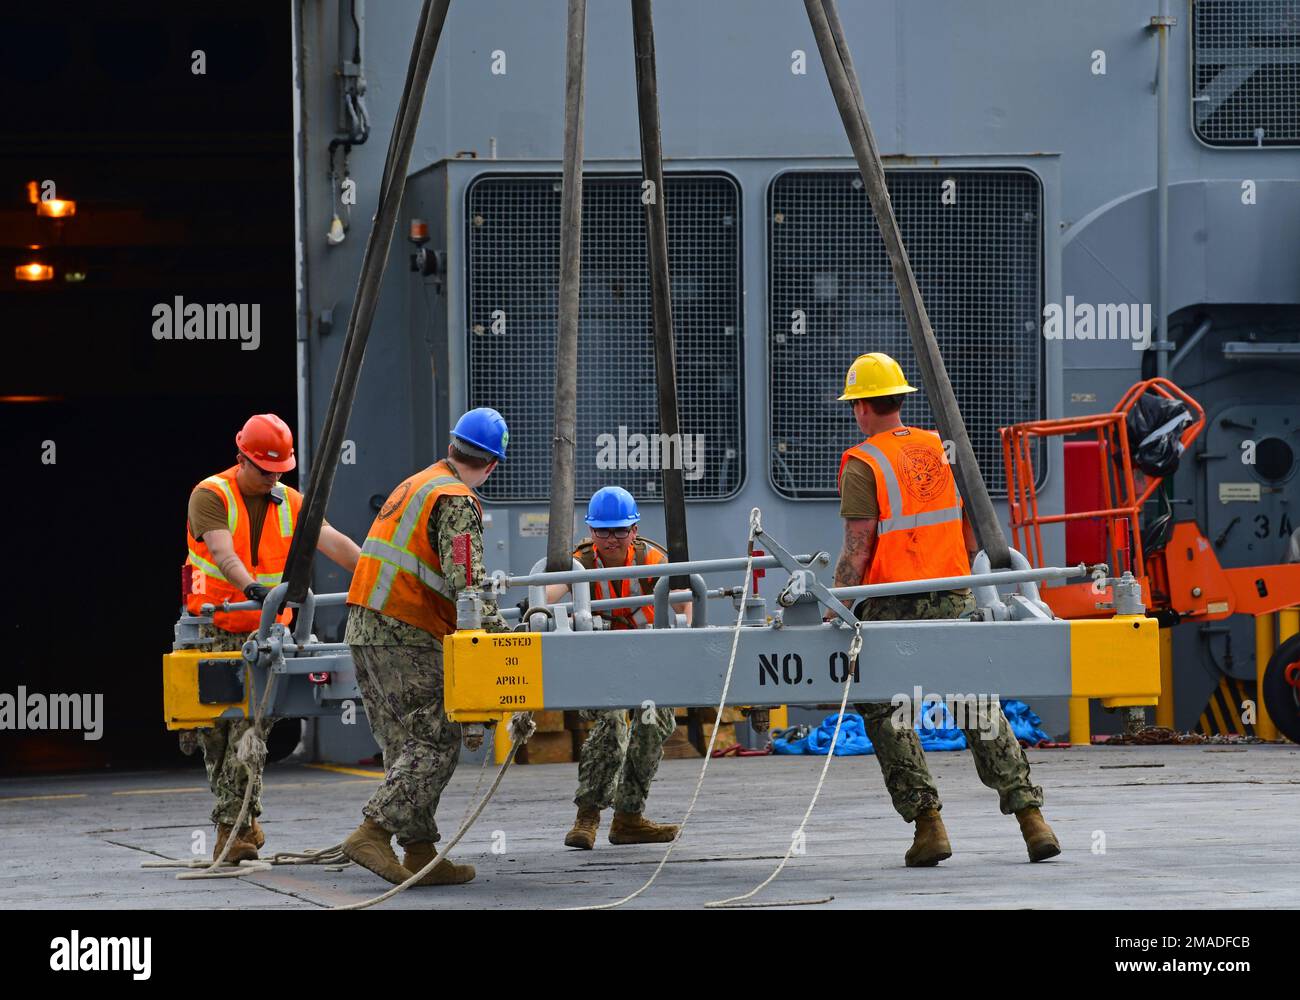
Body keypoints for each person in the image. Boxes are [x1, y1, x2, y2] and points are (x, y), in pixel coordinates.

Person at [832, 353, 1060, 866]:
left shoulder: (863, 462)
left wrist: (834, 604)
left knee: (885, 709)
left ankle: (928, 826)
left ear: (863, 406)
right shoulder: (942, 447)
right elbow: (971, 525)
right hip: (953, 594)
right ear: (899, 399)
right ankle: (1032, 820)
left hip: (890, 608)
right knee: (976, 703)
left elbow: (858, 547)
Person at [341, 407, 510, 886]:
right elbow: (468, 585)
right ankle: (371, 832)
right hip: (406, 630)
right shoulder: (455, 498)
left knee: (404, 743)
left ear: (453, 445)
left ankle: (418, 851)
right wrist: (503, 638)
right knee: (436, 738)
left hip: (366, 626)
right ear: (493, 463)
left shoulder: (415, 483)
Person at [184, 412, 360, 863]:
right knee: (214, 737)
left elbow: (334, 541)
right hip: (211, 632)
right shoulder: (210, 494)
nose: (273, 479)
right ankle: (244, 820)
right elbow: (222, 552)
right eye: (265, 471)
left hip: (263, 638)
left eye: (281, 471)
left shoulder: (291, 501)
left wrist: (377, 576)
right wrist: (252, 588)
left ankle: (232, 831)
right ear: (240, 457)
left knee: (249, 732)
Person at [542, 486, 685, 850]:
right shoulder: (579, 563)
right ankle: (586, 818)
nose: (611, 539)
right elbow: (545, 597)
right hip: (598, 662)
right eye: (602, 531)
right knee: (610, 726)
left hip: (645, 658)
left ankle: (629, 818)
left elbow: (686, 603)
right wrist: (541, 610)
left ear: (634, 530)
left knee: (653, 724)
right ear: (591, 532)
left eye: (620, 530)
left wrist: (687, 629)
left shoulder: (653, 561)